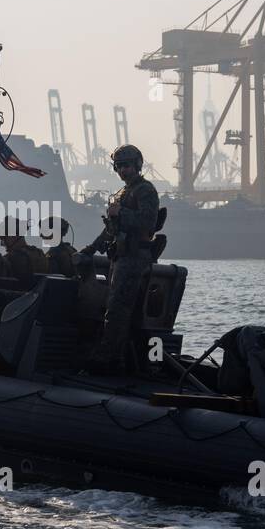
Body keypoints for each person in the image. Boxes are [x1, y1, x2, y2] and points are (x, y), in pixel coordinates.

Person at [82, 144, 160, 373]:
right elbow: (111, 230)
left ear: (137, 165)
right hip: (121, 257)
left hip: (135, 258)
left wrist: (121, 213)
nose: (123, 170)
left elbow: (148, 221)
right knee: (118, 309)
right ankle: (122, 357)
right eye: (118, 166)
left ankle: (108, 359)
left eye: (126, 165)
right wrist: (90, 249)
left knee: (118, 310)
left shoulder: (145, 190)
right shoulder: (122, 193)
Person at [0, 216, 49, 286]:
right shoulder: (40, 253)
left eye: (4, 239)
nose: (2, 244)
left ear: (13, 236)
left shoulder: (10, 258)